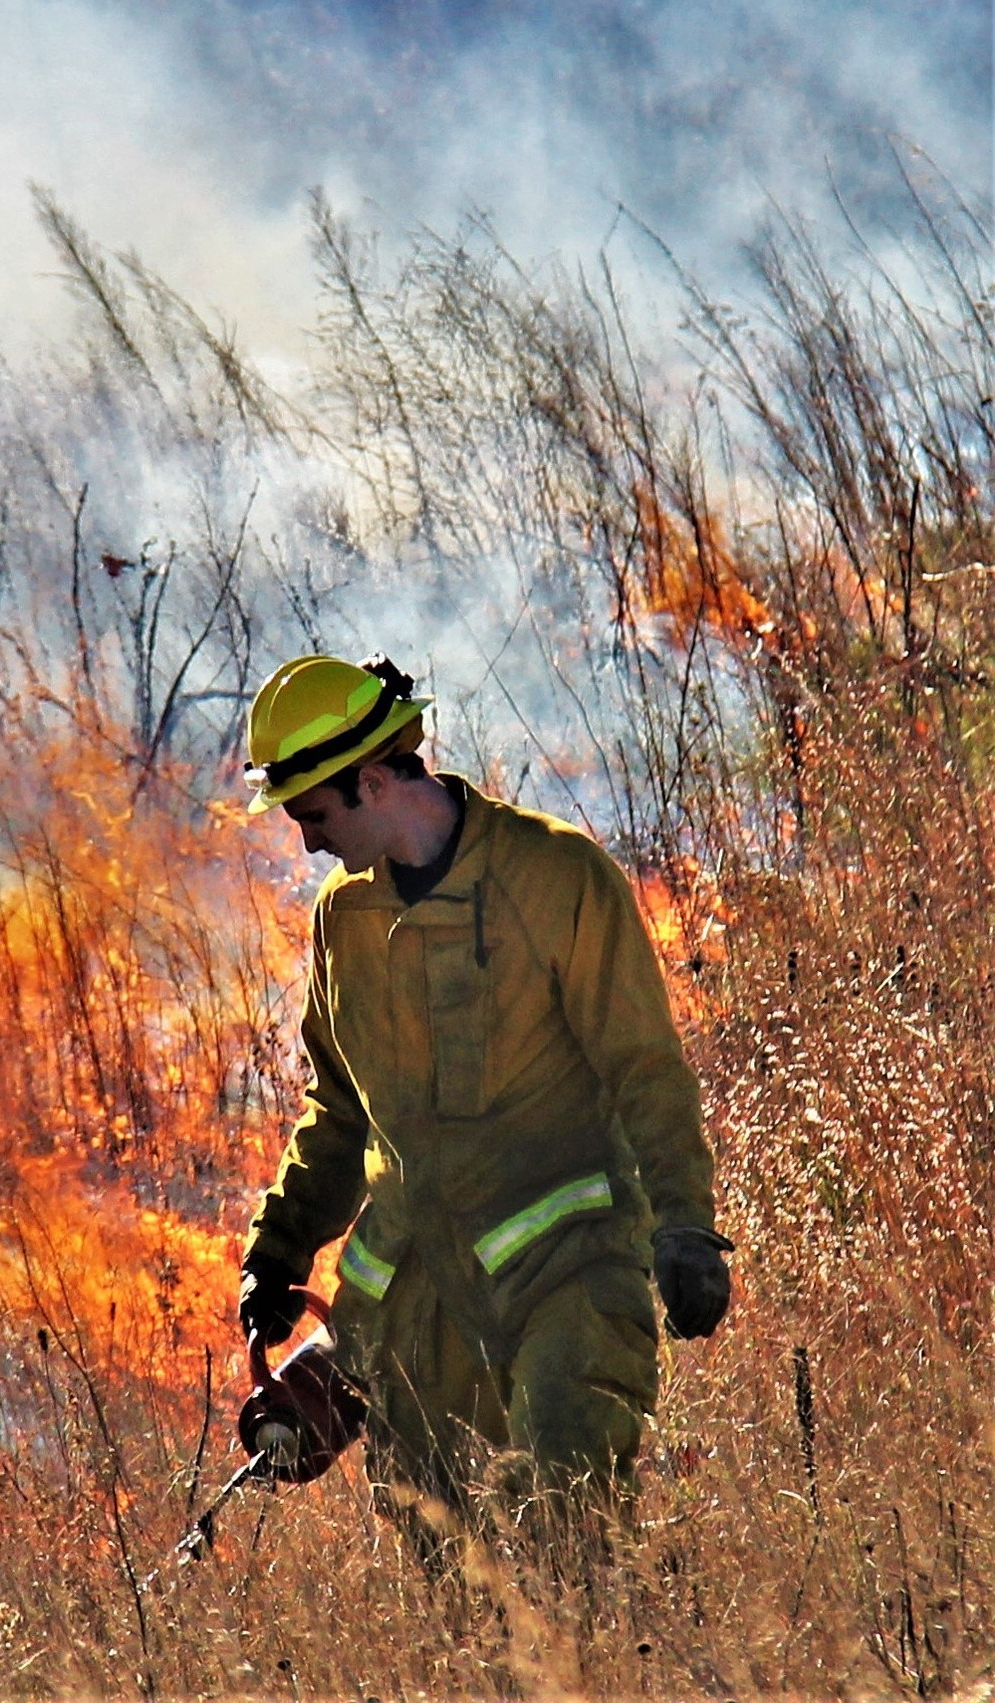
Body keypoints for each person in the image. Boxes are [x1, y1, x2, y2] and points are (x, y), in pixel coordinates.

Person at [237, 652, 733, 1548]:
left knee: (569, 1537)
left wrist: (684, 1226)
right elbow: (340, 1108)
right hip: (414, 1309)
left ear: (374, 779)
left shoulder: (555, 879)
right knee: (451, 1586)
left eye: (312, 813)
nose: (306, 841)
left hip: (566, 1276)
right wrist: (278, 1252)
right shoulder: (342, 921)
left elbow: (644, 1066)